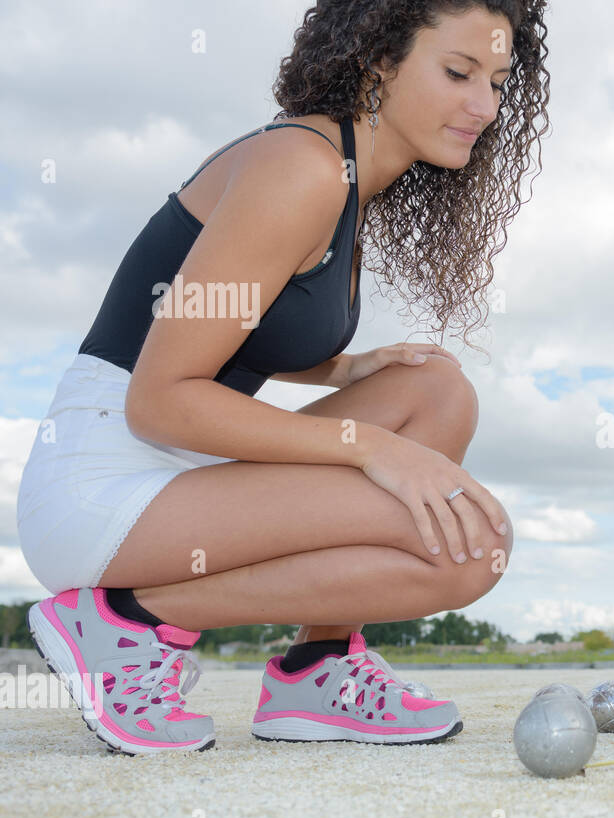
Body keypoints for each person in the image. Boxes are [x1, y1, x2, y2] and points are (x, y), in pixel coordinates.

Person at [16, 0, 551, 753]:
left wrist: (347, 366)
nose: (484, 106)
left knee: (436, 387)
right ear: (380, 62)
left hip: (185, 471)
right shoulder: (301, 167)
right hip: (104, 481)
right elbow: (158, 398)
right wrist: (370, 446)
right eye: (458, 72)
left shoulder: (349, 181)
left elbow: (233, 327)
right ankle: (125, 620)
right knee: (473, 542)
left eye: (497, 82)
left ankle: (316, 666)